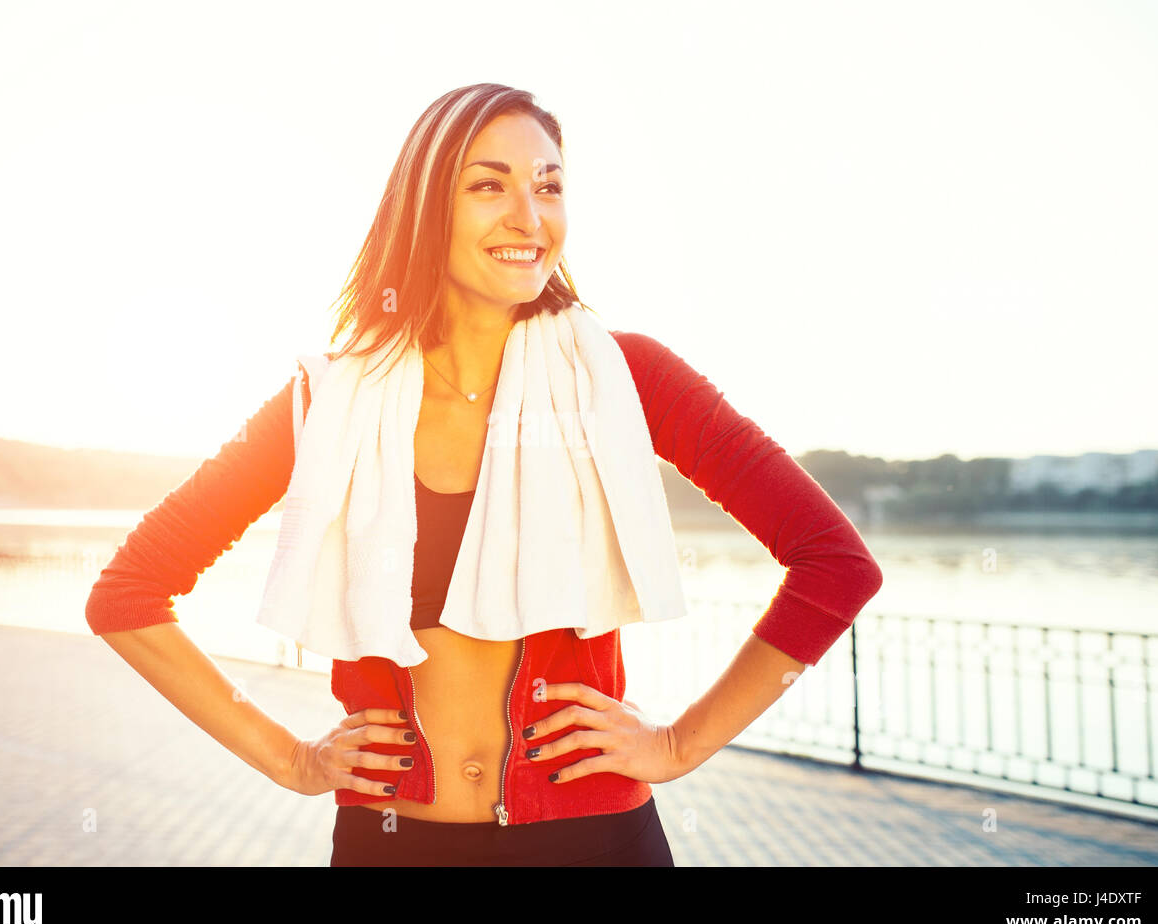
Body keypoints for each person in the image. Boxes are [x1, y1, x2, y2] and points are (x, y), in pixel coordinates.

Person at [85, 83, 885, 867]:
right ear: (425, 205)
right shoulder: (327, 404)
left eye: (549, 186)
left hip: (592, 842)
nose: (528, 217)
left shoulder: (623, 377)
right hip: (390, 844)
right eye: (488, 185)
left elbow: (835, 564)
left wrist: (678, 745)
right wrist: (292, 760)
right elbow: (127, 596)